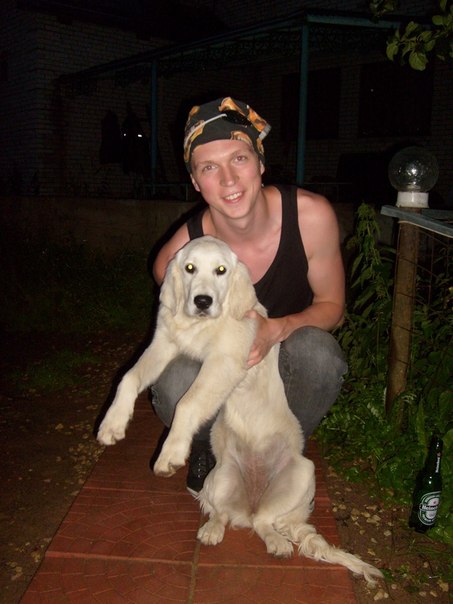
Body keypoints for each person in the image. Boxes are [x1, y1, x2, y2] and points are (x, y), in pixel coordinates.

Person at [151, 96, 347, 495]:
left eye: (239, 159)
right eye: (209, 167)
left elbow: (333, 307)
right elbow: (175, 339)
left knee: (320, 355)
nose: (228, 179)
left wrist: (276, 329)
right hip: (218, 370)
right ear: (195, 181)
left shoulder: (311, 217)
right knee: (174, 380)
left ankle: (281, 453)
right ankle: (206, 449)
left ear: (260, 163)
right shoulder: (176, 260)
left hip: (281, 371)